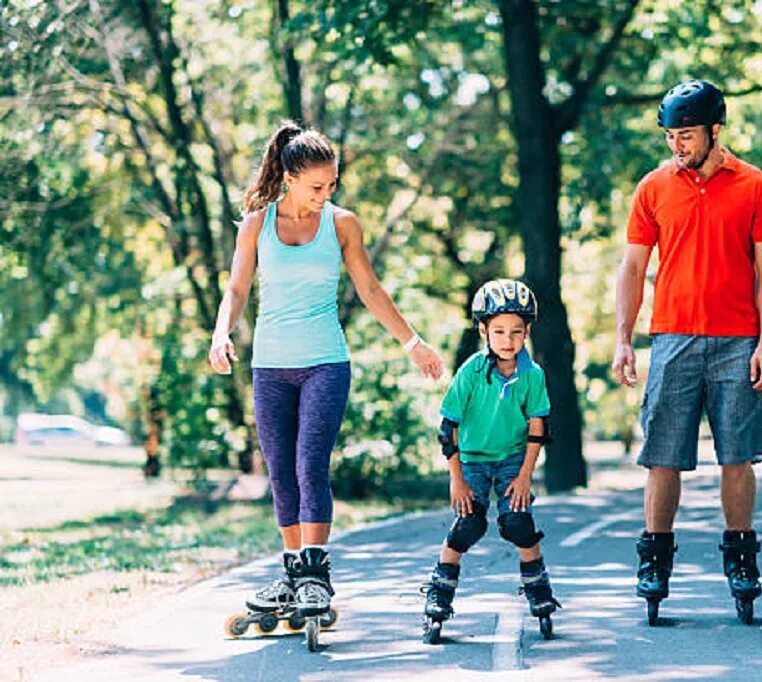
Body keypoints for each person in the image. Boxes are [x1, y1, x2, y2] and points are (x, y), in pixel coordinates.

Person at [209, 121, 442, 625]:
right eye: (317, 185)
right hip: (270, 365)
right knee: (280, 472)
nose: (325, 194)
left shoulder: (341, 224)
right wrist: (220, 332)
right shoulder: (256, 224)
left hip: (325, 362)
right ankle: (293, 571)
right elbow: (237, 288)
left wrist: (413, 341)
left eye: (332, 184)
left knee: (310, 461)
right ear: (290, 177)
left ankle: (315, 572)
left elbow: (371, 290)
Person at [611, 79, 762, 624]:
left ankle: (741, 559)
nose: (676, 146)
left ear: (715, 130)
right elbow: (634, 268)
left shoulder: (755, 187)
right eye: (670, 137)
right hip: (673, 339)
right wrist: (623, 337)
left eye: (685, 136)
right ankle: (655, 561)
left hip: (739, 341)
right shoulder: (653, 188)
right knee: (662, 456)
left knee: (738, 455)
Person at [420, 279, 561, 643]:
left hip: (513, 457)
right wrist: (457, 479)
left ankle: (539, 589)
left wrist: (526, 476)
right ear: (483, 330)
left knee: (517, 522)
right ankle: (438, 593)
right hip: (472, 461)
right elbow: (448, 426)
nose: (508, 340)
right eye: (498, 331)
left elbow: (538, 426)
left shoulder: (533, 375)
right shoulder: (470, 372)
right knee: (467, 525)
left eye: (516, 331)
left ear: (527, 331)